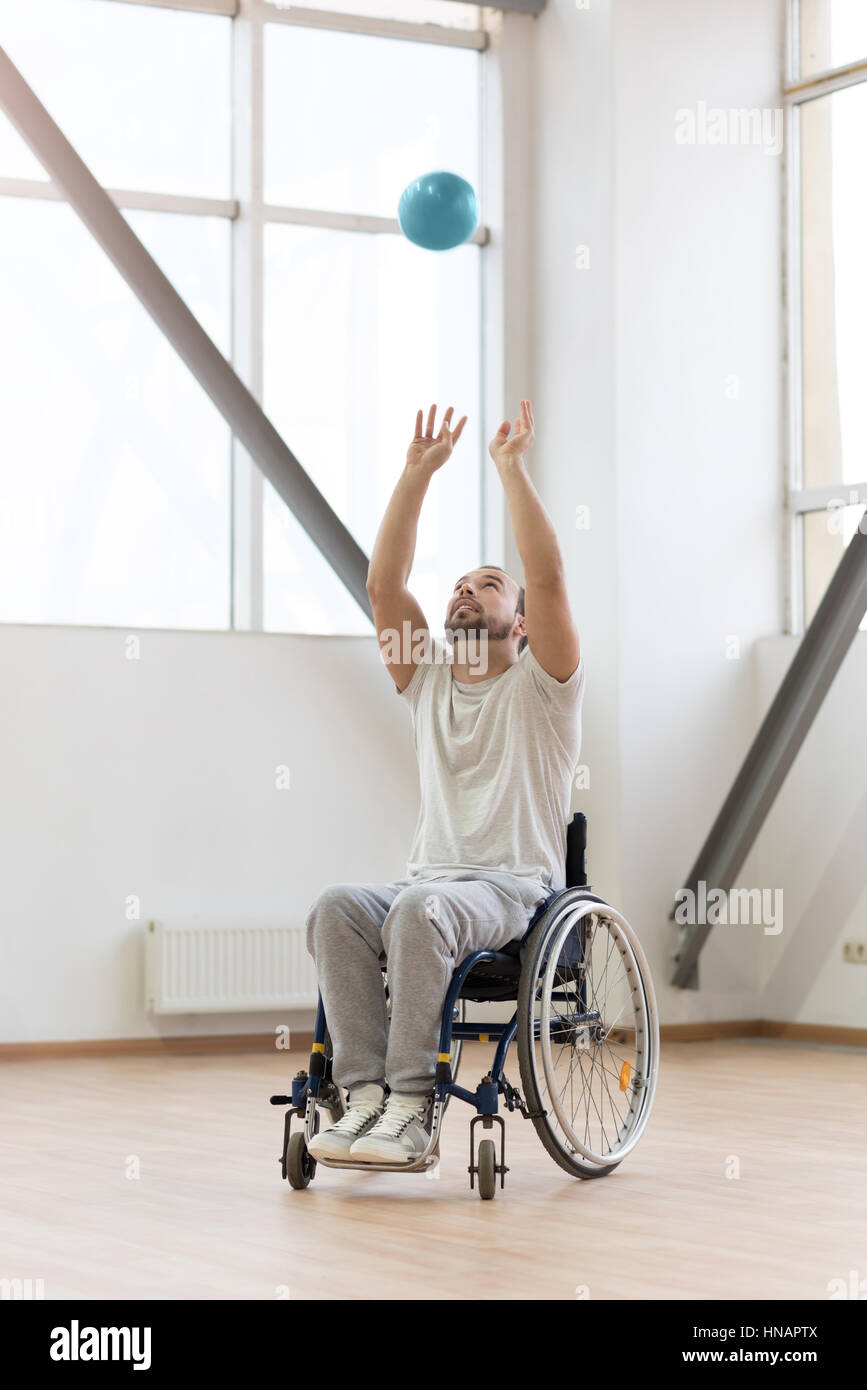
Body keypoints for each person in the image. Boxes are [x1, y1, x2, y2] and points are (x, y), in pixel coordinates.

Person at [305, 399, 585, 1164]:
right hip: (426, 885)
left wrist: (509, 468)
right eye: (459, 584)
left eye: (488, 585)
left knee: (422, 909)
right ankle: (361, 1094)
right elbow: (385, 586)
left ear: (520, 625)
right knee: (336, 908)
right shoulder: (427, 680)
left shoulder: (543, 687)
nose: (465, 590)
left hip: (507, 888)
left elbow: (550, 578)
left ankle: (414, 1105)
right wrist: (414, 474)